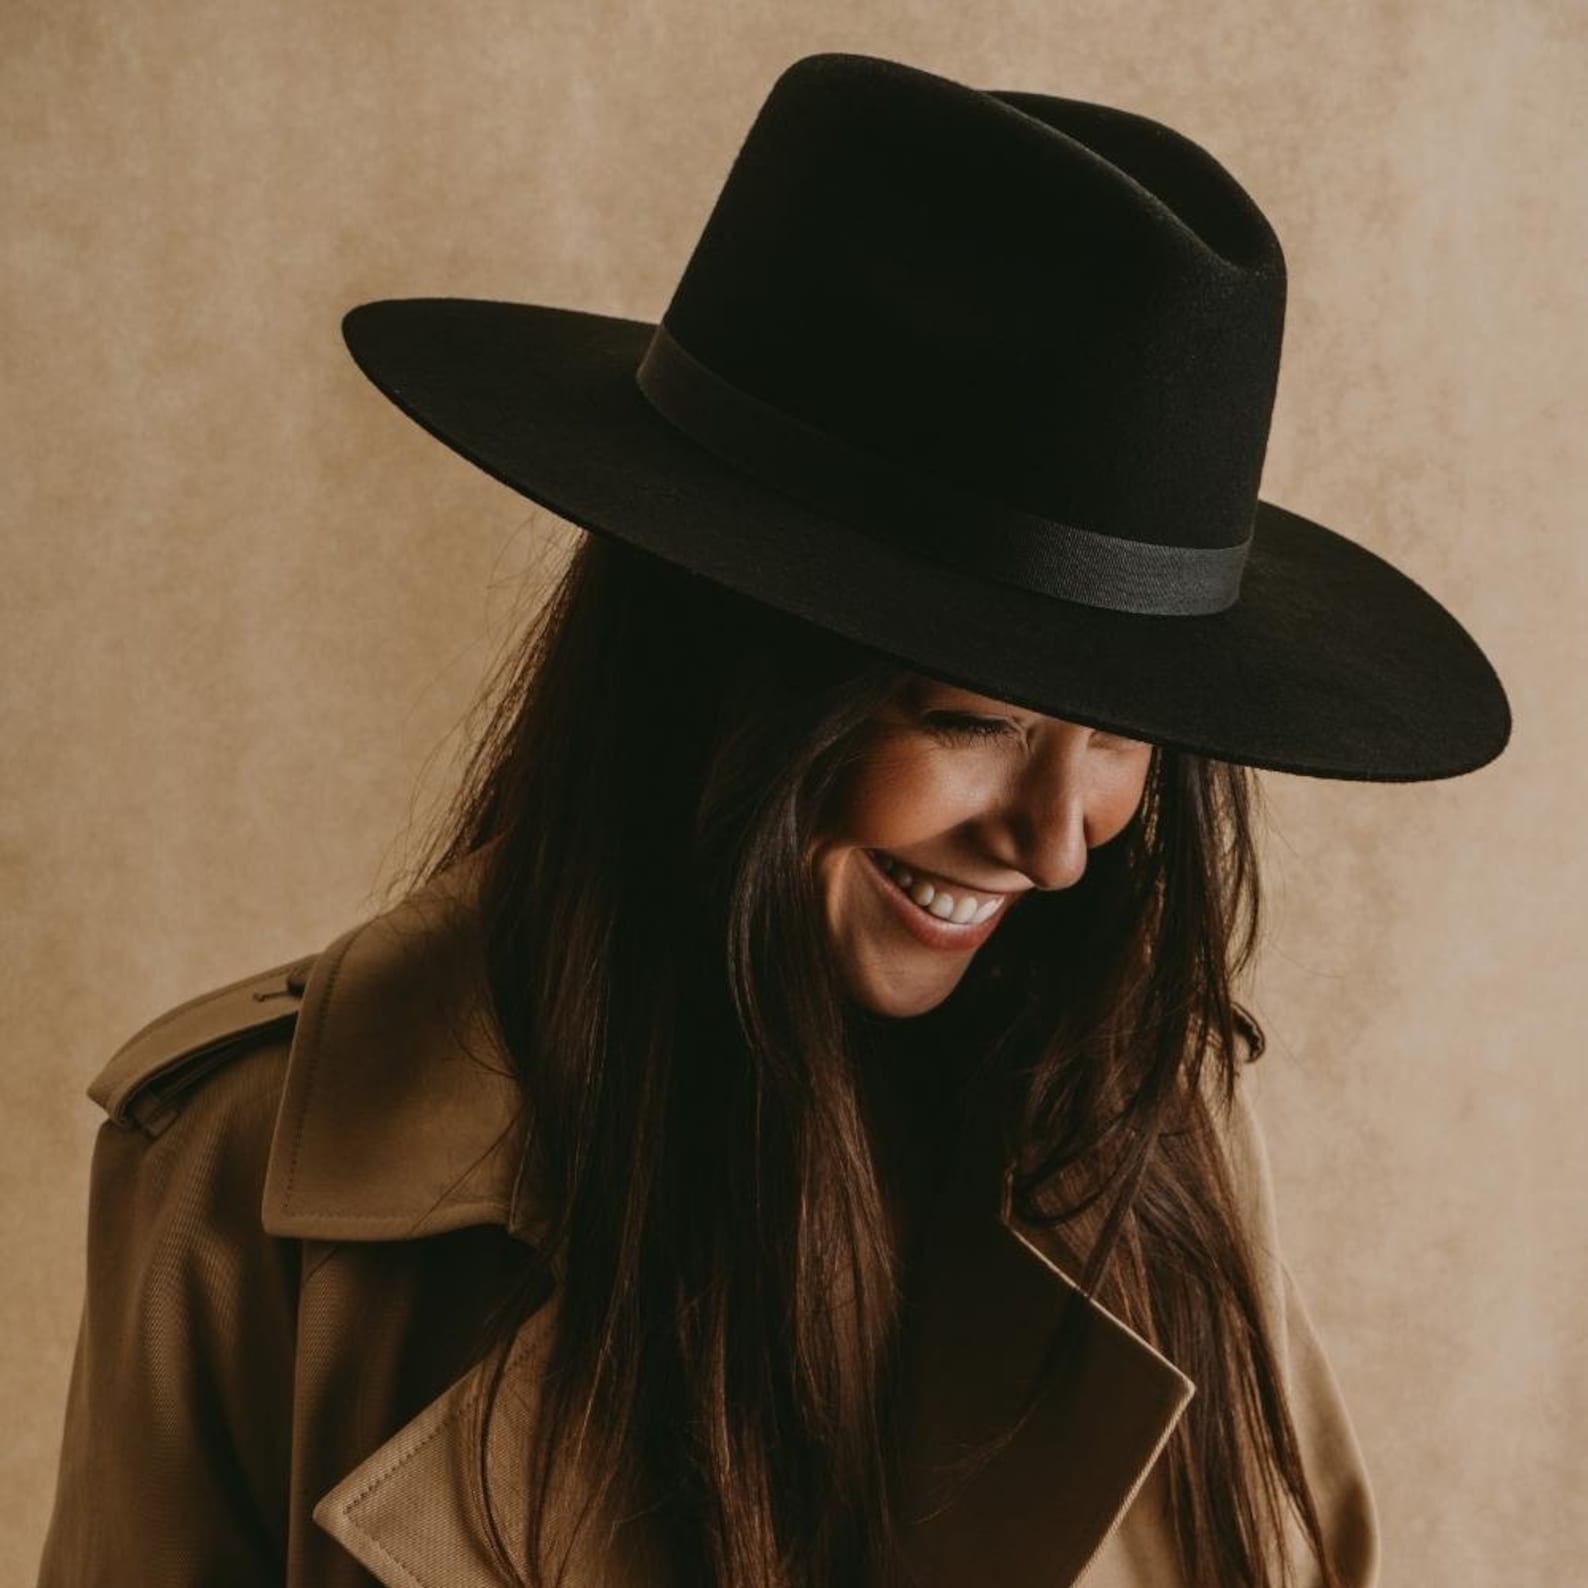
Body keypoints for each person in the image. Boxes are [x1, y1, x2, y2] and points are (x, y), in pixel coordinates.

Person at [36, 49, 1509, 1588]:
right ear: (716, 689)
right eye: (972, 718)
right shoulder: (245, 1176)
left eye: (1128, 737)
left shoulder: (1151, 1127)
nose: (1063, 841)